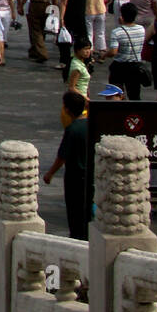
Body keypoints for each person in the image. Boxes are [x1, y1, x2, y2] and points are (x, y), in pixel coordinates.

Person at [44, 101, 91, 240]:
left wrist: (50, 173)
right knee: (87, 212)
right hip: (90, 177)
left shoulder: (72, 129)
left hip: (75, 177)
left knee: (75, 213)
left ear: (68, 110)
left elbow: (62, 157)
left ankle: (77, 239)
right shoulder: (92, 124)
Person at [106, 3, 148, 100]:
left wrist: (104, 55)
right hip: (135, 66)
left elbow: (113, 52)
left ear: (122, 16)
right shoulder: (141, 29)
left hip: (119, 66)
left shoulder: (117, 32)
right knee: (134, 95)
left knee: (116, 94)